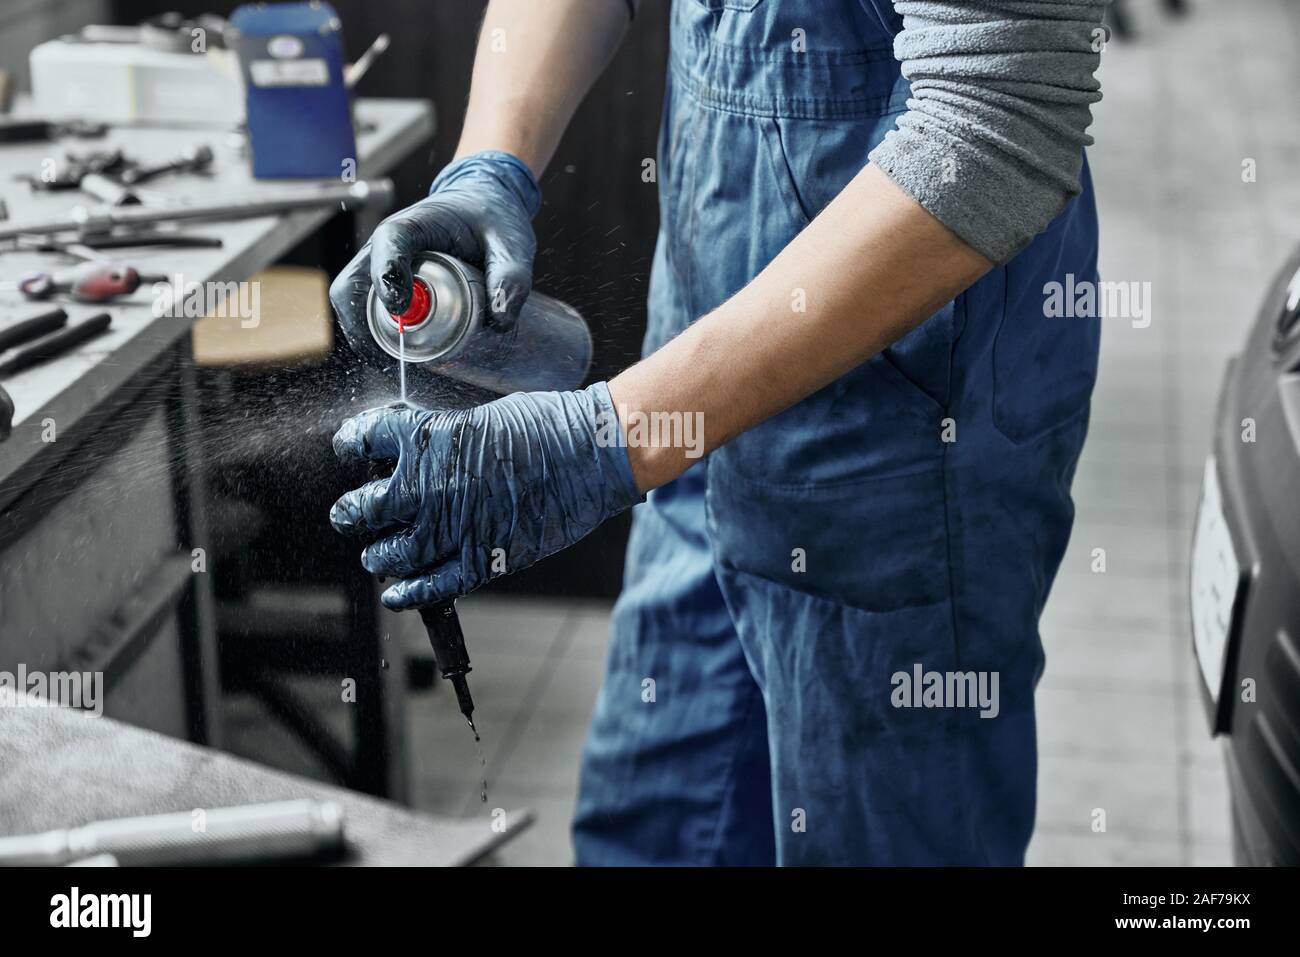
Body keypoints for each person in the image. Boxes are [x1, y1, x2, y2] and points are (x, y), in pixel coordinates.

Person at [328, 0, 1106, 866]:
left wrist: (605, 440)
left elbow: (998, 105)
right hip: (689, 401)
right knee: (654, 832)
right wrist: (489, 168)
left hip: (903, 452)